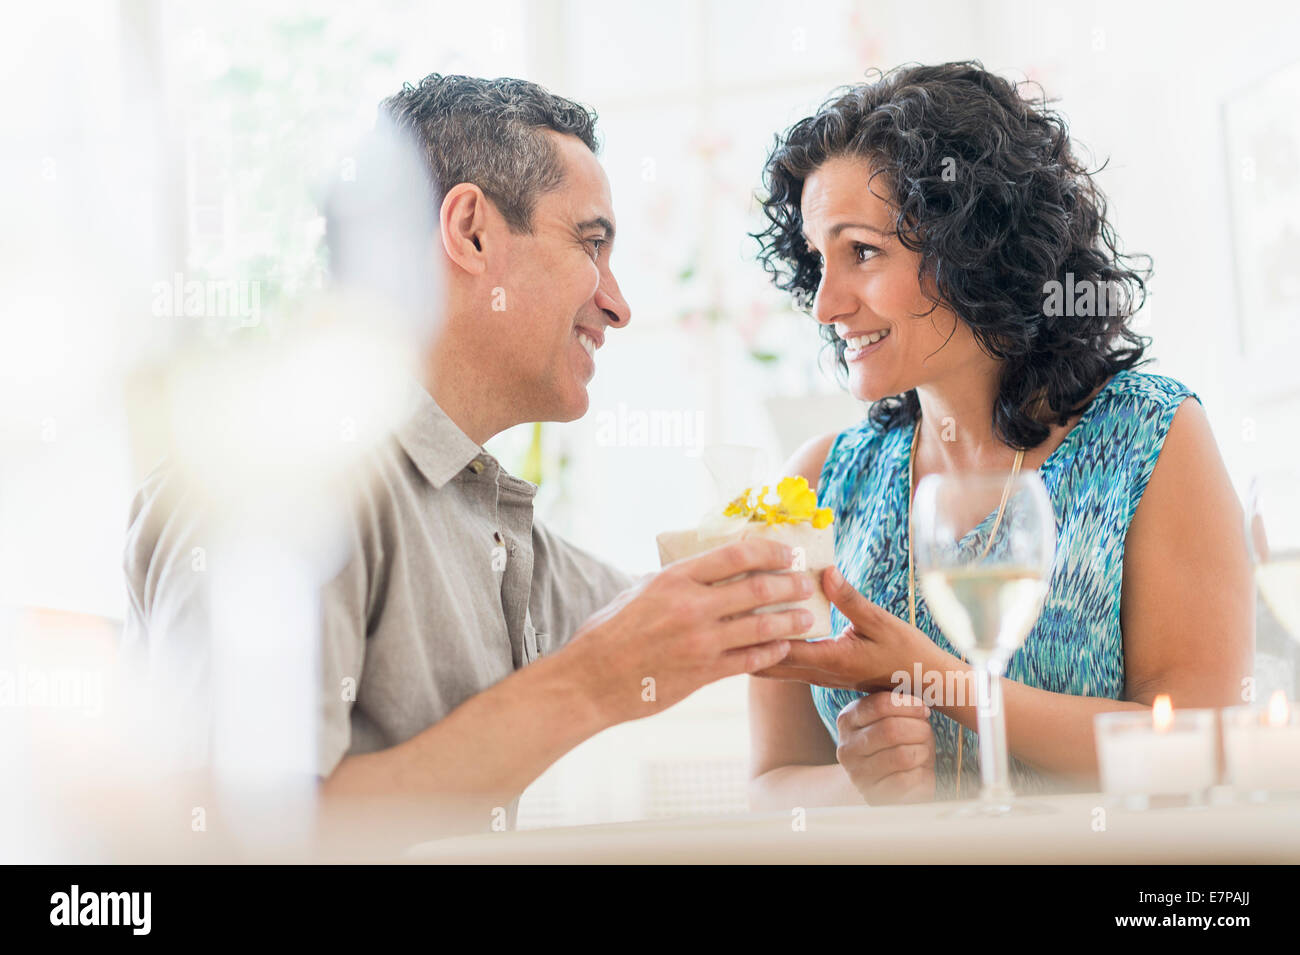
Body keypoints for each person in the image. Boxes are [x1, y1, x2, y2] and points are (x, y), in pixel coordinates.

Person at [123, 74, 807, 839]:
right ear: (471, 230)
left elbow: (670, 616)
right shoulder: (264, 481)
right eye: (590, 242)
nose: (618, 303)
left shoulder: (477, 514)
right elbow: (230, 840)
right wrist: (585, 686)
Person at [746, 62, 1254, 807]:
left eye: (861, 252)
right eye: (819, 261)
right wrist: (866, 784)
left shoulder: (1152, 438)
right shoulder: (820, 482)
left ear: (973, 246)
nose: (825, 304)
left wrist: (943, 682)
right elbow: (768, 786)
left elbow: (1199, 751)